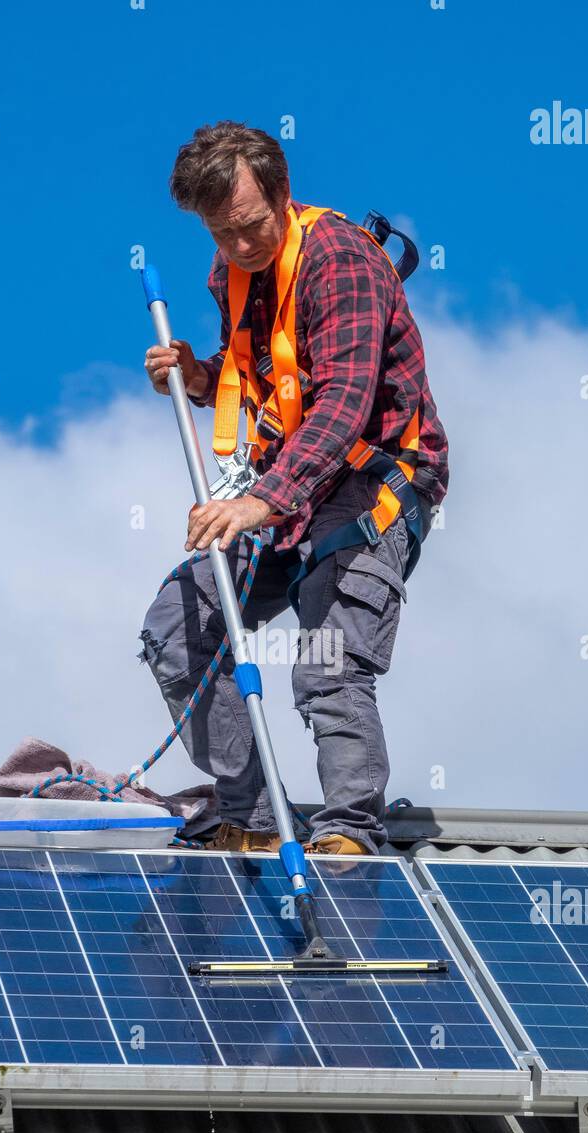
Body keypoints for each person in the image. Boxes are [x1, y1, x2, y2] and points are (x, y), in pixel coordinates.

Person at [140, 121, 448, 855]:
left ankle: (347, 836)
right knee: (180, 630)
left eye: (249, 227)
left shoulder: (341, 261)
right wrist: (198, 377)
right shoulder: (232, 272)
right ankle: (246, 816)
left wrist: (262, 500)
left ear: (280, 193)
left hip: (366, 485)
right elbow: (264, 374)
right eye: (221, 233)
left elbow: (342, 403)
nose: (239, 246)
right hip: (288, 486)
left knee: (327, 660)